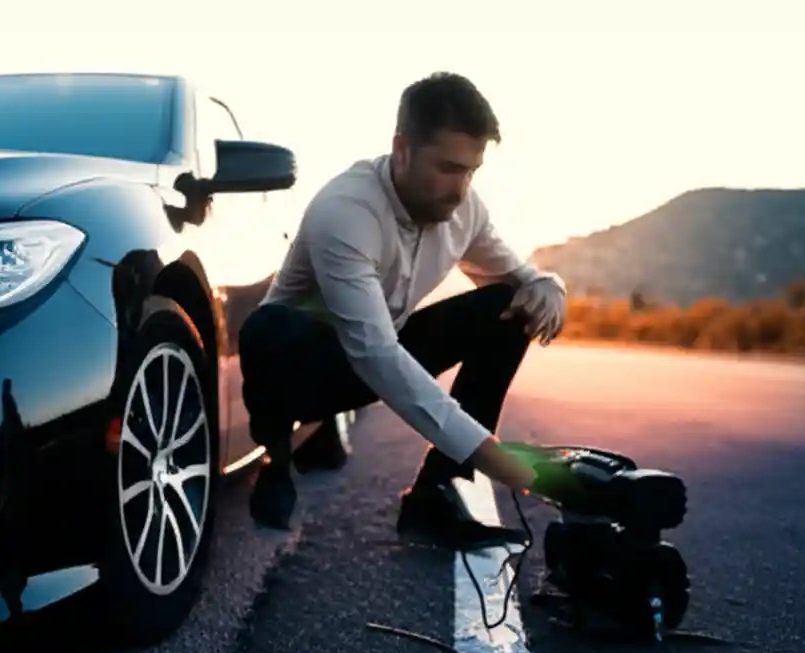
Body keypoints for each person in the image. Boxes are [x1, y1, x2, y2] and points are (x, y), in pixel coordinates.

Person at [237, 71, 568, 549]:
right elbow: (374, 354)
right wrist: (500, 460)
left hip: (379, 346)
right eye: (449, 168)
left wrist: (549, 285)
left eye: (471, 170)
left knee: (508, 308)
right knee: (270, 327)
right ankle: (277, 456)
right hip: (308, 368)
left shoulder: (464, 208)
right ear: (402, 149)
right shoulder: (347, 208)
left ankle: (432, 497)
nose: (461, 189)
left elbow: (521, 276)